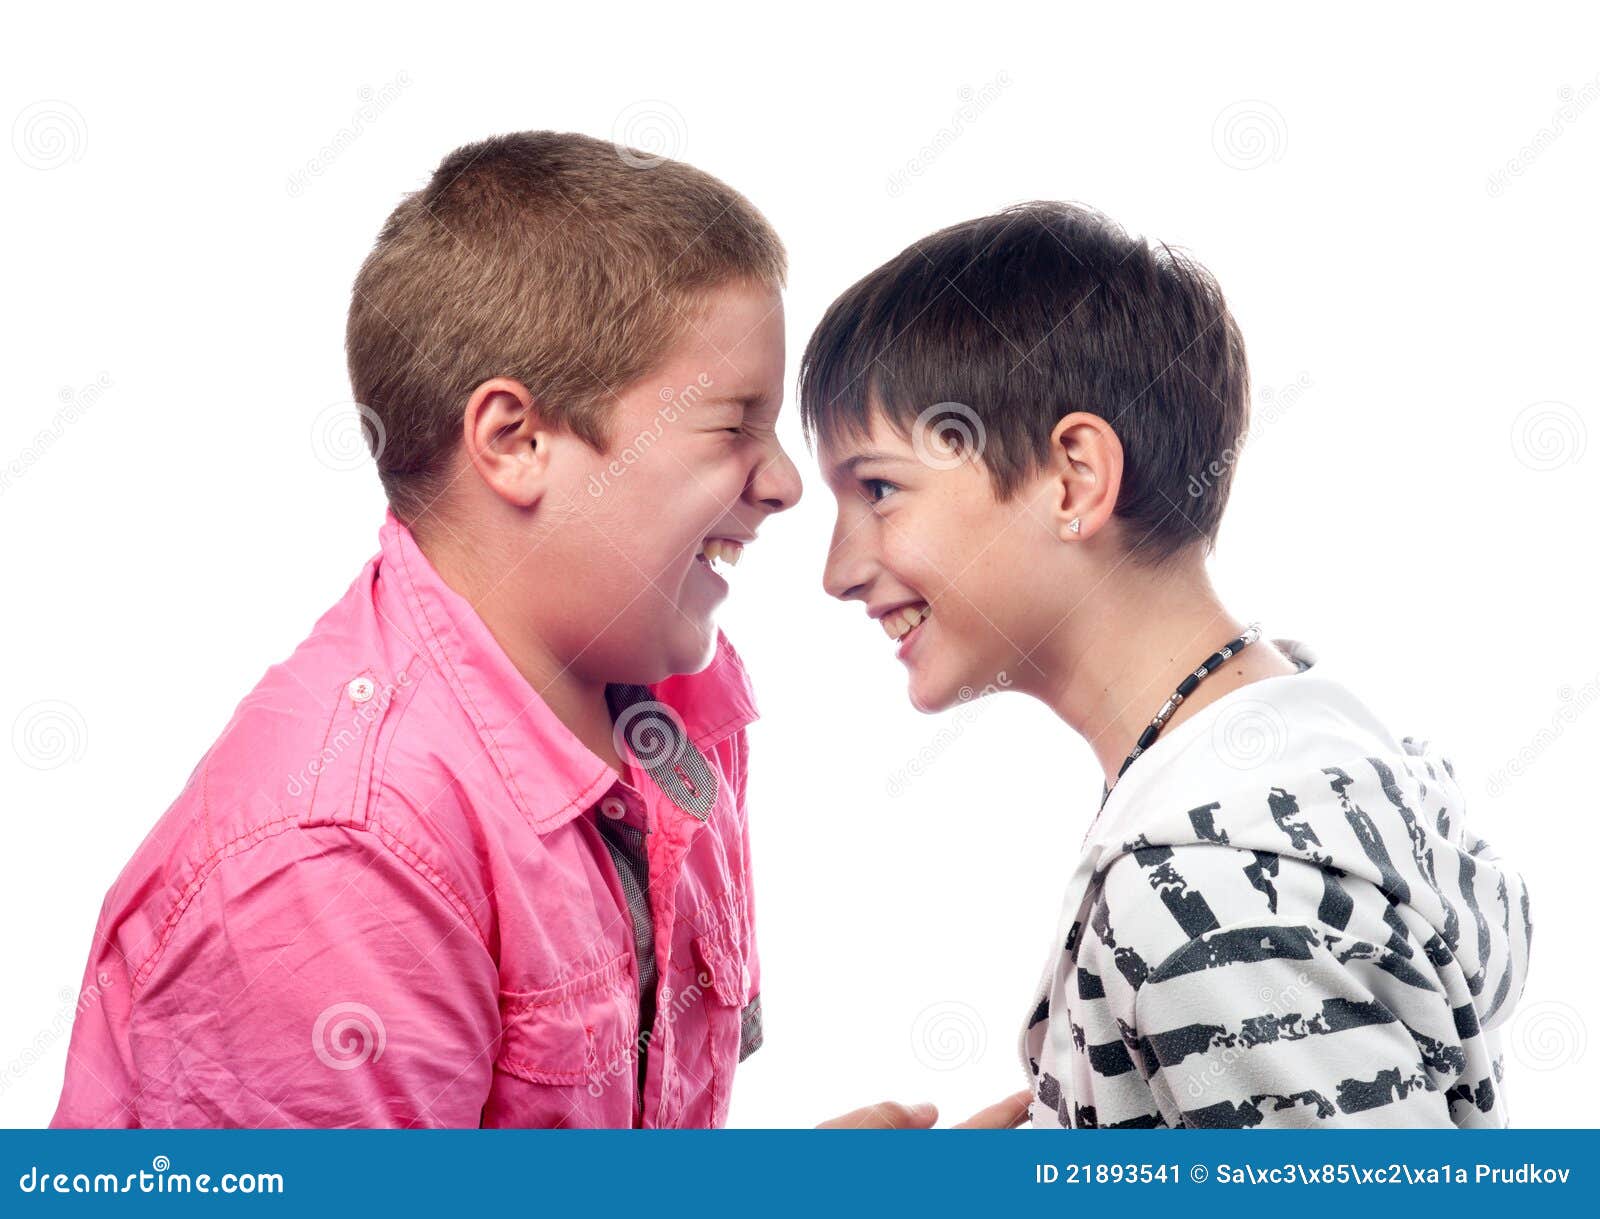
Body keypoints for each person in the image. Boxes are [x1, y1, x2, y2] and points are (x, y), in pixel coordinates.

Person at [50, 130, 804, 1127]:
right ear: (517, 440)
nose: (787, 483)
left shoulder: (677, 715)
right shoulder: (342, 864)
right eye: (733, 427)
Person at [802, 201, 1534, 1128]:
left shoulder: (1210, 889)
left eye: (878, 489)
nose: (838, 572)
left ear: (1073, 477)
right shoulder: (1295, 761)